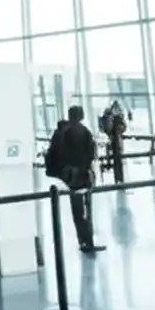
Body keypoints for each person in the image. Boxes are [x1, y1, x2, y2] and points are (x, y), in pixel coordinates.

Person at [47, 106, 100, 253]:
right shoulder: (84, 132)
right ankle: (87, 240)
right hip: (82, 173)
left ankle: (83, 239)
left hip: (67, 174)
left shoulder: (61, 132)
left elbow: (54, 152)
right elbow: (91, 154)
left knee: (76, 209)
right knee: (86, 206)